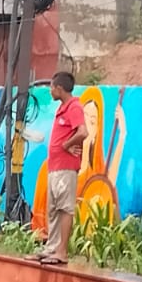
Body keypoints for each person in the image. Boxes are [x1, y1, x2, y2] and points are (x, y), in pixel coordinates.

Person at [40, 70, 87, 266]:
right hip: (55, 167)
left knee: (64, 208)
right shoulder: (63, 108)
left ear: (60, 88)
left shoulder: (74, 107)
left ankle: (62, 252)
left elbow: (83, 132)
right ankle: (51, 248)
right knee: (52, 209)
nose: (50, 90)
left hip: (66, 167)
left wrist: (67, 145)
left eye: (51, 87)